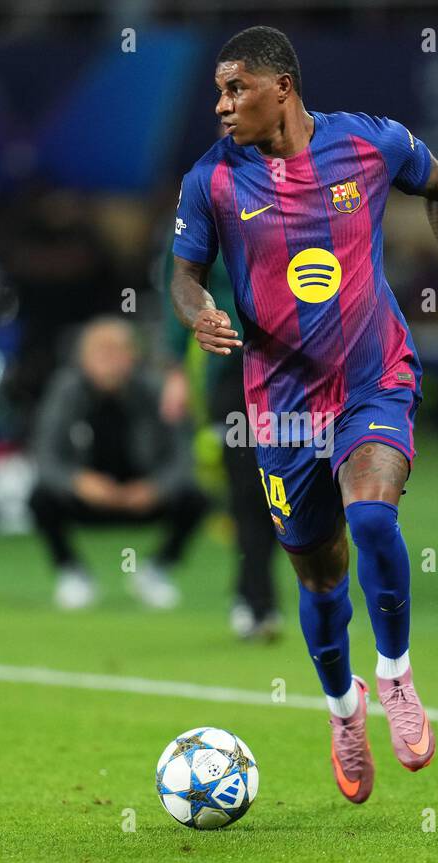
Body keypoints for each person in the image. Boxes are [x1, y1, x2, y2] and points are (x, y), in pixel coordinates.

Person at [169, 26, 438, 804]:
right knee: (318, 578)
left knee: (373, 518)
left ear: (282, 86)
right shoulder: (210, 181)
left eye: (234, 88)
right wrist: (198, 311)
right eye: (217, 91)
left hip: (373, 376)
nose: (221, 105)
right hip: (279, 405)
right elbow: (182, 275)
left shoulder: (368, 145)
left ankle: (396, 677)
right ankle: (345, 712)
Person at [160, 177, 281, 643]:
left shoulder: (306, 197)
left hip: (305, 369)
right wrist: (175, 366)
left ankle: (307, 602)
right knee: (249, 488)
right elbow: (178, 281)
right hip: (236, 367)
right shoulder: (203, 205)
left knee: (303, 492)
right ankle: (256, 602)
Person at [28, 317, 209, 610]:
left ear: (133, 355)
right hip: (89, 496)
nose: (109, 361)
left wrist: (156, 487)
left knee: (196, 497)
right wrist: (79, 482)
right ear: (83, 358)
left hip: (142, 495)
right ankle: (72, 573)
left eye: (117, 351)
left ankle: (156, 571)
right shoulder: (66, 391)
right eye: (100, 352)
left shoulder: (156, 389)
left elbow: (183, 454)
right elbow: (46, 456)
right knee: (41, 498)